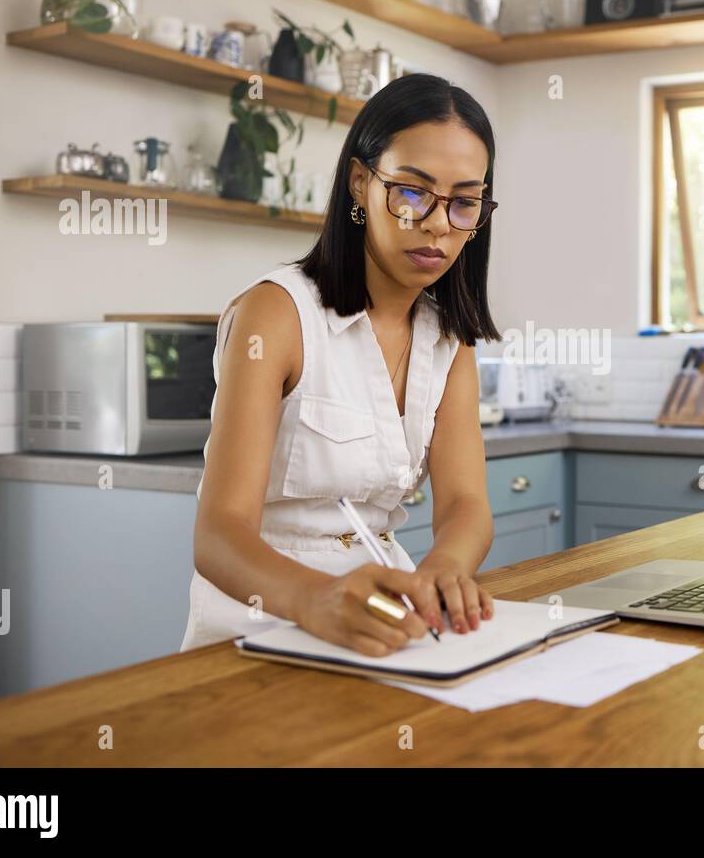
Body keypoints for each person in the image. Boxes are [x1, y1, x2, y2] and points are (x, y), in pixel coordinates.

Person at [181, 73, 501, 657]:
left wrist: (445, 570)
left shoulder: (448, 340)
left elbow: (466, 505)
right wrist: (315, 600)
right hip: (257, 626)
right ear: (360, 183)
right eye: (411, 191)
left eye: (464, 201)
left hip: (385, 615)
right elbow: (218, 536)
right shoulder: (276, 314)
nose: (436, 222)